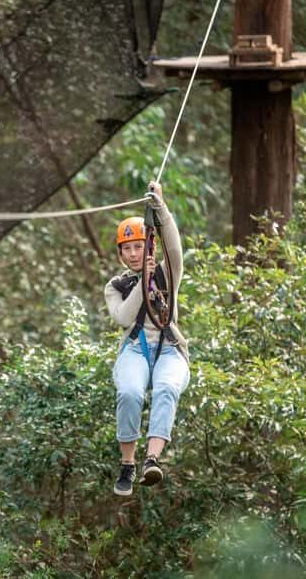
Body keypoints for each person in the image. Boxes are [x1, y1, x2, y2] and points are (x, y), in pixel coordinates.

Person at [104, 182, 189, 496]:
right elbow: (125, 318)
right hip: (135, 348)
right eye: (127, 248)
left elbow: (175, 246)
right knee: (129, 392)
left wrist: (161, 208)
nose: (133, 253)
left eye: (139, 246)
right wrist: (144, 281)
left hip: (169, 347)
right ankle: (127, 463)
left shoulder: (169, 272)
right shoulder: (116, 285)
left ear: (148, 246)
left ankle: (151, 459)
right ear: (121, 254)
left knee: (167, 388)